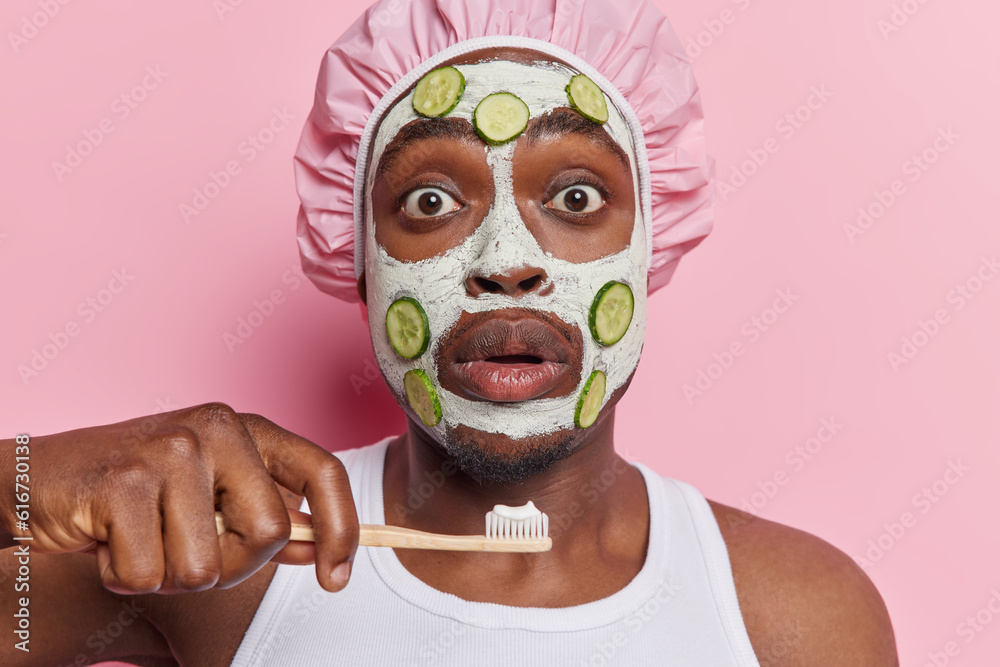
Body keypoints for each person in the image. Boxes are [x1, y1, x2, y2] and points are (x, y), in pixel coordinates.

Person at [0, 0, 898, 664]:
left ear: (649, 247)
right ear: (356, 260)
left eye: (576, 197)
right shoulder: (220, 563)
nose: (507, 259)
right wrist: (22, 477)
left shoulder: (798, 619)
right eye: (430, 200)